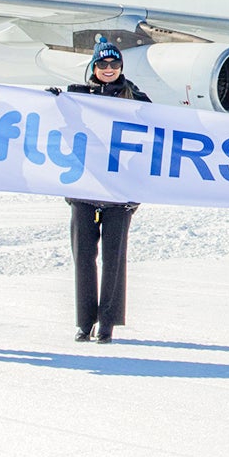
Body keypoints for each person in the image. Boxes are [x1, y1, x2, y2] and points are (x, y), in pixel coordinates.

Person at [52, 38, 149, 343]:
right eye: (103, 64)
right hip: (84, 187)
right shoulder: (77, 95)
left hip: (120, 192)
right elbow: (56, 124)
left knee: (113, 257)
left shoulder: (137, 99)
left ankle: (107, 320)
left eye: (114, 64)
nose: (109, 69)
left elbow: (154, 136)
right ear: (93, 67)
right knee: (83, 256)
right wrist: (51, 101)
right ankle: (84, 321)